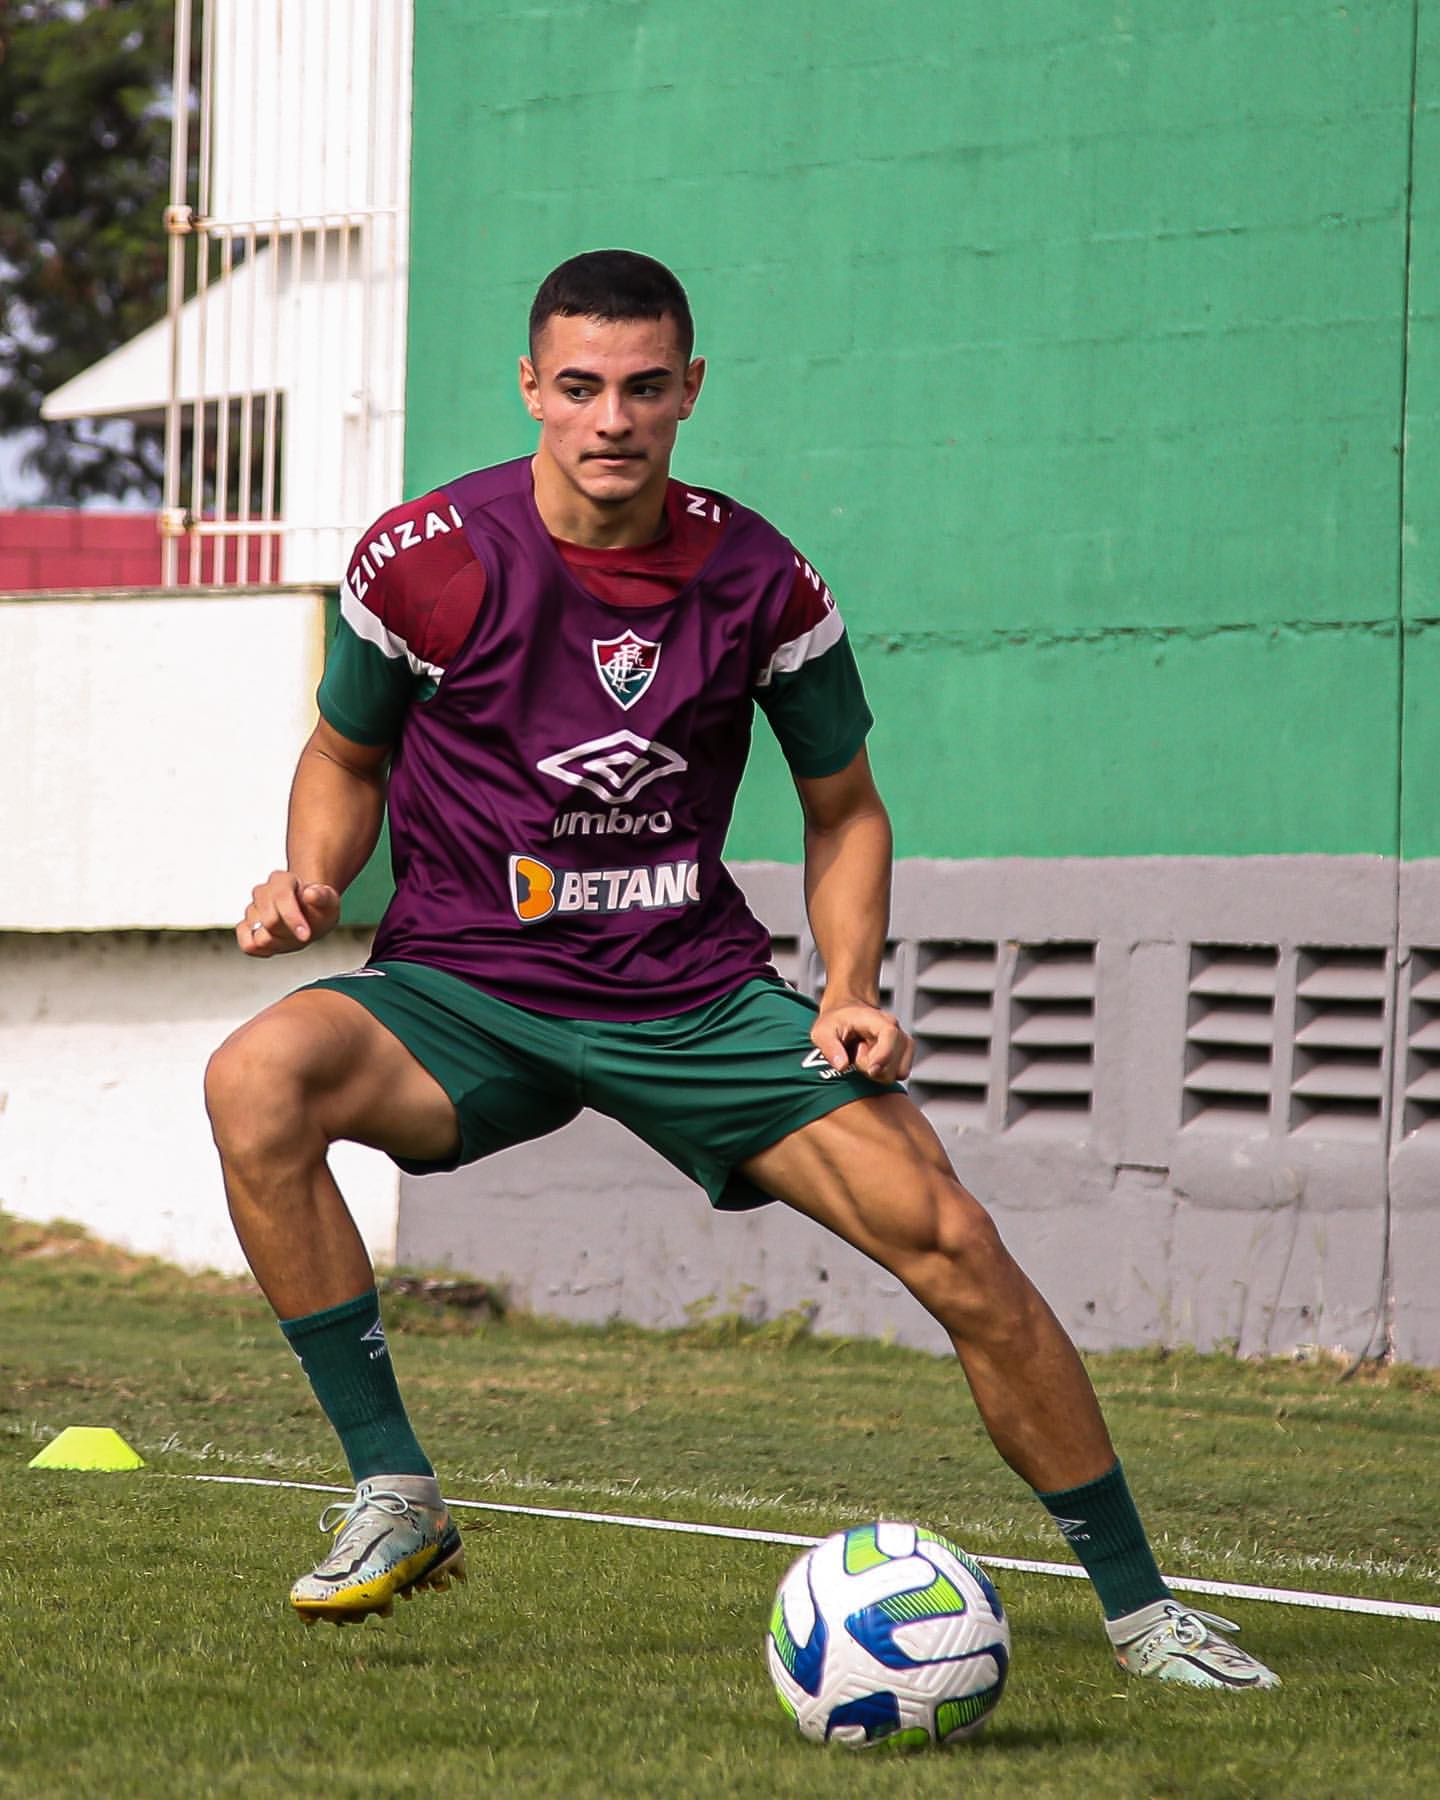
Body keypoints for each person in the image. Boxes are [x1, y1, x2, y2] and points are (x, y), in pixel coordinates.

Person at [204, 249, 1277, 1688]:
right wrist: (317, 877)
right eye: (579, 387)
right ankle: (395, 1491)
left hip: (692, 1000)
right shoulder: (424, 561)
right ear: (532, 387)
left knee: (955, 1243)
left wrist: (849, 989)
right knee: (254, 1081)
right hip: (466, 994)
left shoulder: (761, 579)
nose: (611, 420)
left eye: (646, 388)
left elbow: (847, 809)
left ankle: (1148, 1613)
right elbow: (347, 756)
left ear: (689, 391)